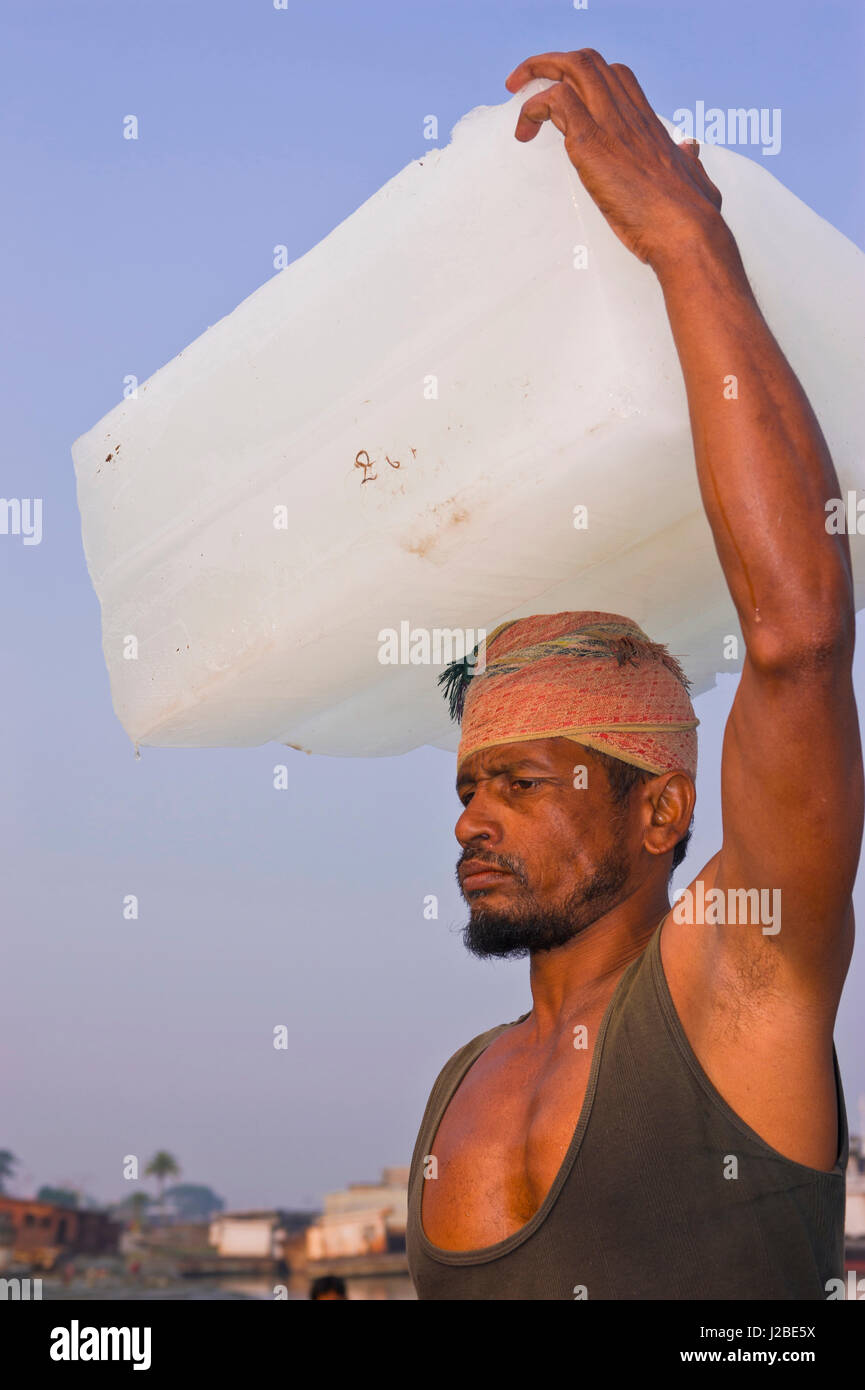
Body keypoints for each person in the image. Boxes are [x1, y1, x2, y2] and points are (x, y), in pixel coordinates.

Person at [405, 48, 862, 1301]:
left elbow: (800, 636)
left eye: (520, 781)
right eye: (467, 783)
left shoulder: (737, 984)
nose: (469, 816)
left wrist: (681, 239)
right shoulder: (457, 1086)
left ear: (661, 808)